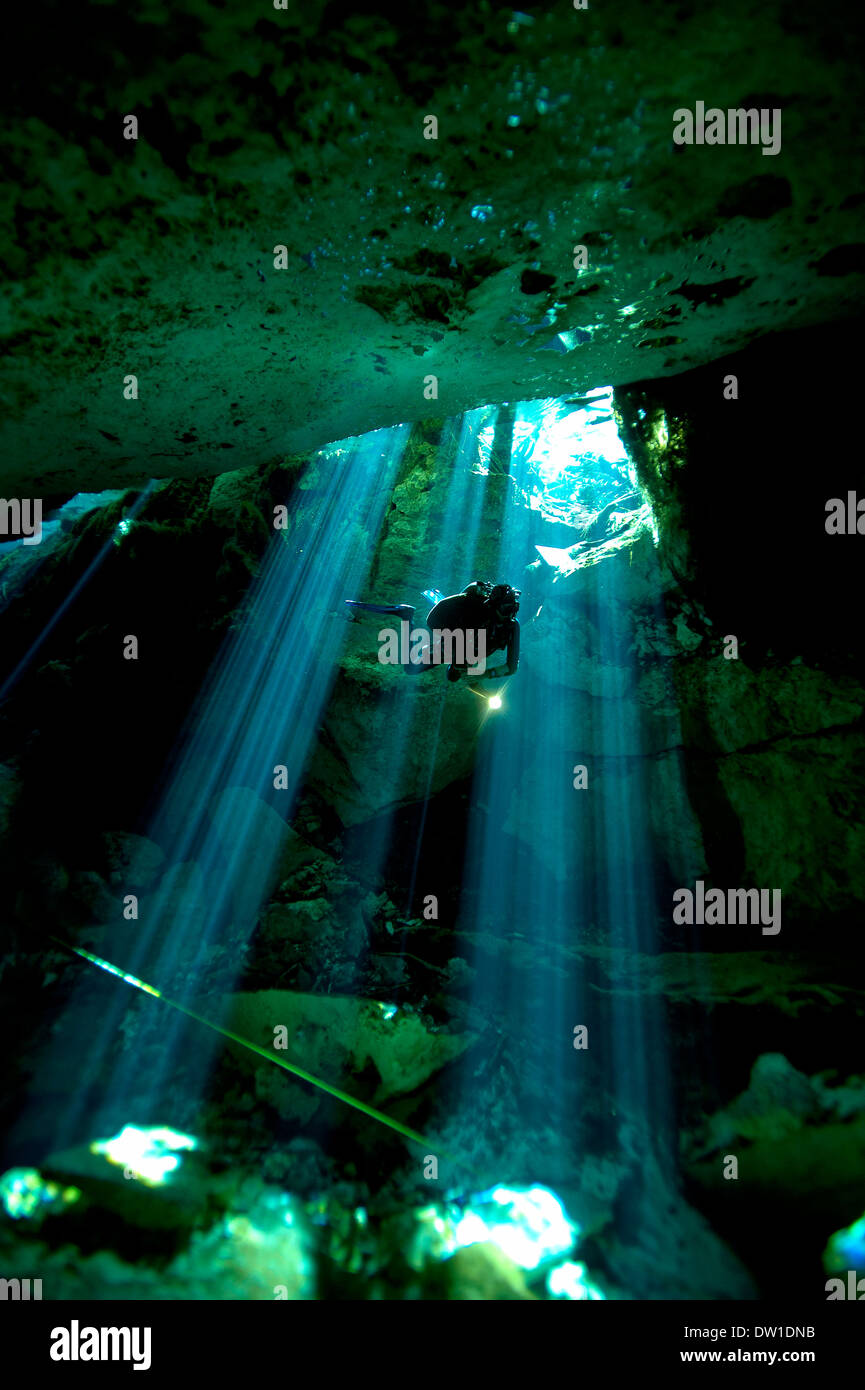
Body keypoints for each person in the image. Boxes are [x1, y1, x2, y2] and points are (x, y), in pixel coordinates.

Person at [345, 579, 520, 682]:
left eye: (513, 610)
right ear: (495, 605)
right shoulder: (478, 612)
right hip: (444, 632)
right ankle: (406, 615)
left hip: (455, 645)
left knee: (419, 667)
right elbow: (454, 639)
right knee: (412, 667)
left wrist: (484, 675)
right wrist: (471, 672)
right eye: (506, 610)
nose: (509, 615)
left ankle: (408, 618)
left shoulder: (512, 626)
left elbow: (511, 667)